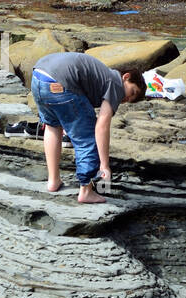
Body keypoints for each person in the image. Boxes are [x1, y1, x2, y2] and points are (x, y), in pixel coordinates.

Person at [30, 52, 144, 204]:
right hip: (60, 82)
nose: (127, 99)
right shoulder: (116, 83)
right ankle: (86, 191)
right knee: (88, 137)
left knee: (52, 126)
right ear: (126, 77)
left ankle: (53, 181)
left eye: (131, 100)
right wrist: (104, 165)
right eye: (132, 92)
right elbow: (101, 127)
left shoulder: (103, 75)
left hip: (39, 77)